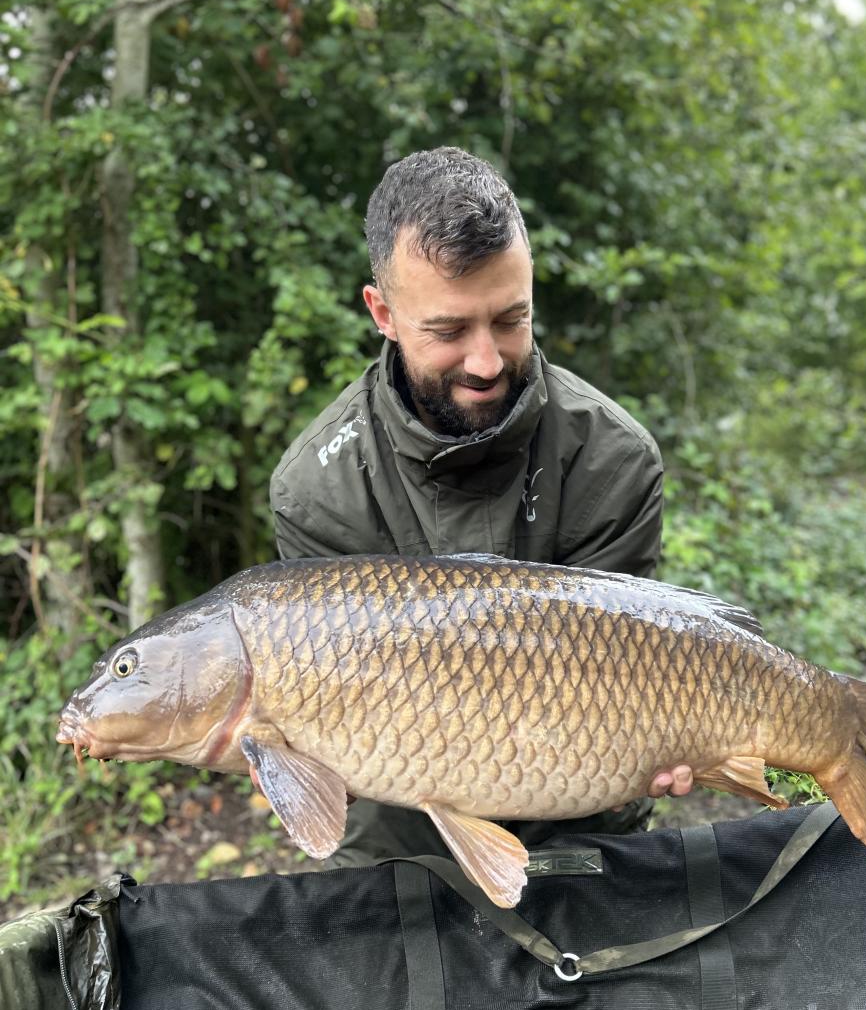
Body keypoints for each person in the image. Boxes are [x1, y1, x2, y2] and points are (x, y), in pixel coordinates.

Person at [268, 146, 692, 865]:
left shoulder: (612, 458)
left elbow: (627, 673)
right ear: (384, 312)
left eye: (510, 320)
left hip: (579, 826)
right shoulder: (316, 487)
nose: (487, 360)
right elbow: (333, 735)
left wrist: (662, 744)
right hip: (397, 847)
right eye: (448, 330)